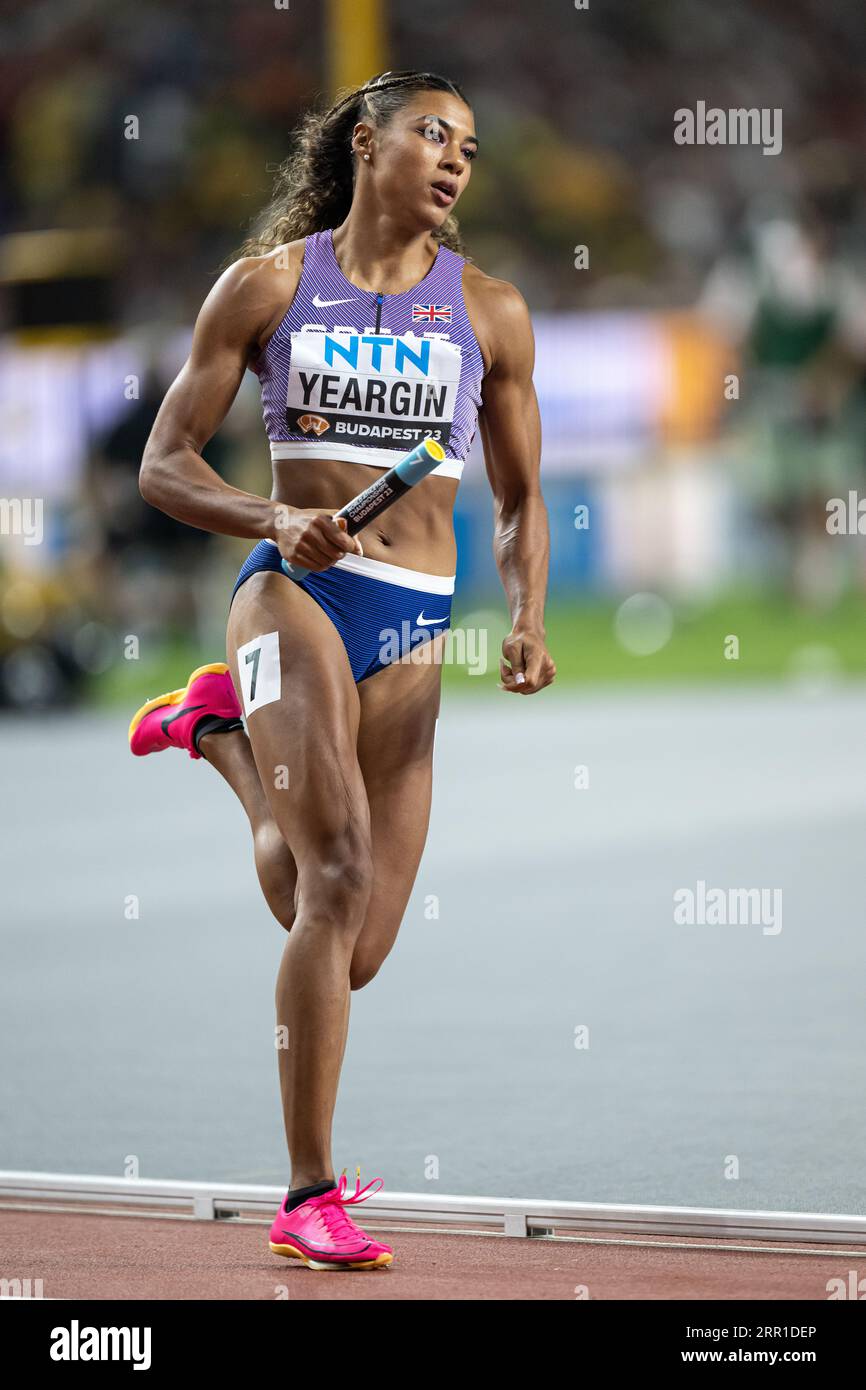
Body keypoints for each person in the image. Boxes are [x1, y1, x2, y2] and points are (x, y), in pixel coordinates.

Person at [128, 70, 555, 1272]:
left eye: (469, 144)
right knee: (335, 877)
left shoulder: (492, 311)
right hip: (288, 593)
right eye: (431, 132)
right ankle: (306, 1191)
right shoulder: (265, 287)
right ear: (364, 144)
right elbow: (163, 466)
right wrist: (272, 515)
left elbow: (521, 502)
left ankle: (219, 738)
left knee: (351, 940)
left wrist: (522, 614)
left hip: (412, 622)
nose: (455, 158)